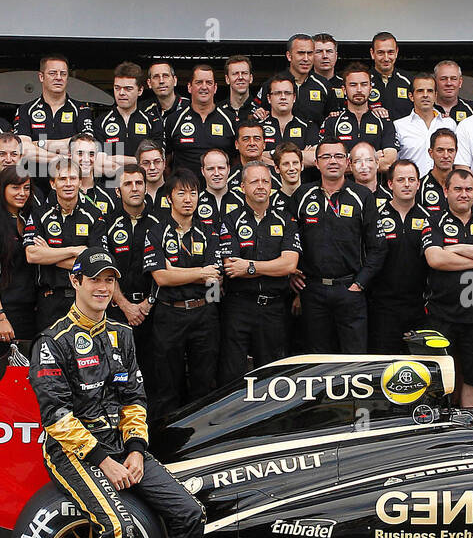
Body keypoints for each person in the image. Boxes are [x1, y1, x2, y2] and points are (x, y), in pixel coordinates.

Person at [30, 245, 215, 538]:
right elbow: (55, 416)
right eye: (94, 279)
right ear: (75, 281)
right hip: (72, 451)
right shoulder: (52, 341)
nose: (102, 287)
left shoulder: (122, 334)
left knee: (190, 513)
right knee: (119, 526)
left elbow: (134, 398)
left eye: (109, 280)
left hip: (119, 446)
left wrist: (135, 449)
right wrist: (104, 459)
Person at [422, 167, 473, 406]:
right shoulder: (434, 220)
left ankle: (469, 426)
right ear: (446, 191)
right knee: (437, 378)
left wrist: (458, 248)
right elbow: (436, 259)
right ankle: (441, 427)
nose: (464, 194)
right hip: (441, 313)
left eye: (469, 189)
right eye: (457, 189)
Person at [143, 170, 224, 417]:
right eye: (181, 193)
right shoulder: (156, 232)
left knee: (204, 384)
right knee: (166, 386)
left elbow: (215, 279)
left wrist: (210, 305)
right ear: (169, 198)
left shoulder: (209, 232)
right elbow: (161, 277)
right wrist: (200, 273)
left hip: (204, 315)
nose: (188, 199)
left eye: (193, 193)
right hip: (169, 314)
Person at [294, 140, 385, 353]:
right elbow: (291, 241)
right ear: (316, 163)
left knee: (353, 360)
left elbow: (378, 247)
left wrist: (360, 283)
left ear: (348, 163)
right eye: (326, 157)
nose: (332, 161)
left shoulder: (362, 197)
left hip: (350, 290)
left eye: (338, 156)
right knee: (317, 361)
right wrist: (293, 273)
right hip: (313, 290)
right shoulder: (302, 195)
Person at [217, 162, 301, 386]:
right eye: (254, 181)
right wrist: (270, 267)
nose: (261, 186)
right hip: (238, 307)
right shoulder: (230, 220)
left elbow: (290, 265)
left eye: (265, 181)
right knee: (232, 375)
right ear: (242, 186)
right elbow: (231, 268)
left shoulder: (287, 219)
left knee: (272, 376)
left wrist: (250, 267)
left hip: (274, 308)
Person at [24, 160, 101, 331]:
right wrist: (74, 251)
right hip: (49, 300)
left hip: (83, 300)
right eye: (62, 179)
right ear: (52, 183)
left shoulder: (94, 215)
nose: (68, 184)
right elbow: (32, 255)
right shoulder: (39, 214)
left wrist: (49, 255)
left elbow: (95, 263)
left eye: (73, 178)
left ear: (80, 182)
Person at [369, 159, 431, 354]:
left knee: (419, 370)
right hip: (382, 308)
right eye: (401, 179)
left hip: (419, 308)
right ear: (390, 184)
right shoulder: (376, 216)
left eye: (412, 179)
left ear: (418, 184)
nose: (406, 184)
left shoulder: (429, 218)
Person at [99, 165, 157, 363]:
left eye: (139, 183)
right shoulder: (106, 223)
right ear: (117, 191)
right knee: (117, 372)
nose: (134, 188)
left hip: (153, 311)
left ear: (145, 187)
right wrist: (125, 306)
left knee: (153, 374)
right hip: (116, 310)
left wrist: (148, 303)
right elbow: (104, 270)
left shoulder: (161, 222)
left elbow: (165, 268)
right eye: (128, 184)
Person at [0, 169, 38, 357]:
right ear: (2, 189)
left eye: (26, 188)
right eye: (15, 188)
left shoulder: (33, 218)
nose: (22, 193)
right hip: (4, 310)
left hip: (32, 309)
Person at [13, 53, 92, 175]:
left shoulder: (81, 109)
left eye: (63, 74)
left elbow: (84, 147)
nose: (58, 77)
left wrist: (39, 144)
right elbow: (24, 149)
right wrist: (59, 158)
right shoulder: (25, 110)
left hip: (69, 181)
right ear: (41, 77)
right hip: (35, 183)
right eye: (52, 73)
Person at [318, 62, 398, 171]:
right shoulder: (332, 122)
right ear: (344, 89)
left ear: (370, 88)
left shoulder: (384, 122)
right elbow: (327, 165)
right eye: (353, 85)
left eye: (364, 84)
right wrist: (372, 159)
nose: (359, 89)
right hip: (342, 187)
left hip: (375, 188)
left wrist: (347, 160)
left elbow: (389, 162)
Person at [165, 64, 237, 173]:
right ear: (189, 87)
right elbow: (166, 160)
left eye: (209, 83)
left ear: (215, 87)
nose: (204, 87)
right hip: (185, 188)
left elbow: (237, 159)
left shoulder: (230, 119)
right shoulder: (174, 119)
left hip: (219, 188)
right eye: (199, 82)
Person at [95, 62, 161, 165]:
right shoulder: (101, 121)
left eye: (128, 89)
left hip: (140, 180)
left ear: (140, 90)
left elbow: (157, 159)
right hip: (112, 181)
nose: (121, 93)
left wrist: (116, 159)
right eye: (117, 88)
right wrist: (139, 161)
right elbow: (98, 161)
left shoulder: (152, 121)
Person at [393, 73, 454, 178]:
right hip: (411, 190)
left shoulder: (449, 124)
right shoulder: (399, 126)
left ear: (435, 96)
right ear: (411, 96)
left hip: (444, 189)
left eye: (430, 91)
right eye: (420, 91)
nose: (425, 95)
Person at [369, 31, 414, 122]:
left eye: (390, 52)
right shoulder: (362, 81)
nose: (386, 58)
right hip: (371, 134)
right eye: (380, 53)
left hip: (402, 135)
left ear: (396, 52)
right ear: (372, 53)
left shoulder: (409, 80)